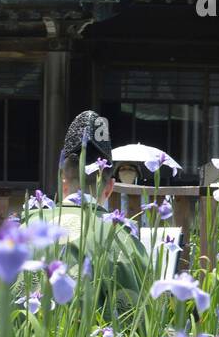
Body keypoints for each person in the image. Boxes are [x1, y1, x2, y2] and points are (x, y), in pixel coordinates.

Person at [26, 110, 150, 305]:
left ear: (62, 182)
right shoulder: (124, 240)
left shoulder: (25, 229)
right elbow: (141, 317)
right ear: (109, 188)